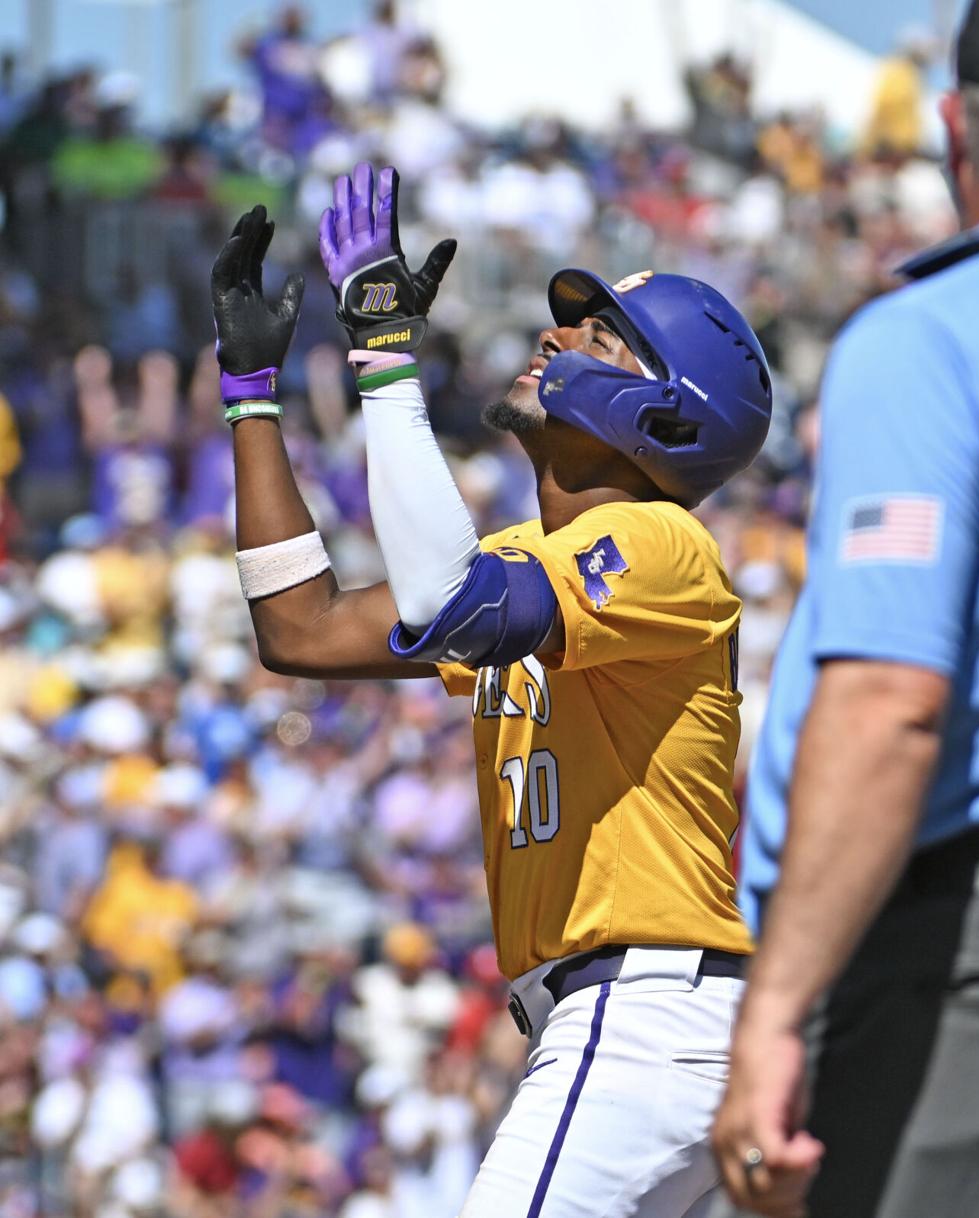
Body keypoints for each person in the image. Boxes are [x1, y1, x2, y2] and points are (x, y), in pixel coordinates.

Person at [210, 161, 772, 1217]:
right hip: (625, 1021)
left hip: (644, 1012)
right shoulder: (538, 558)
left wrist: (384, 357)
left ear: (666, 409)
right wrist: (250, 400)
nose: (556, 337)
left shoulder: (659, 544)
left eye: (600, 336)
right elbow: (302, 629)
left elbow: (445, 596)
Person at [712, 3, 979, 1216]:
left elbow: (889, 702)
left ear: (950, 127)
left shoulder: (929, 337)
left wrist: (774, 1012)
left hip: (943, 958)